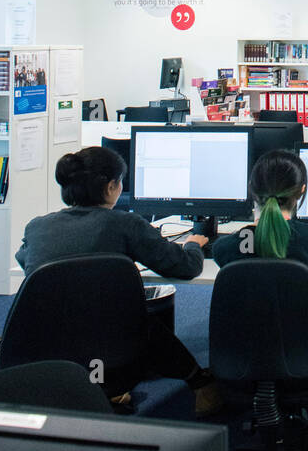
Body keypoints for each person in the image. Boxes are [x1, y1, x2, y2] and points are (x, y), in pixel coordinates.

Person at [15, 146, 212, 405]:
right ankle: (199, 384)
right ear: (110, 187)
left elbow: (27, 262)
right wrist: (194, 244)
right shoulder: (125, 224)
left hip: (41, 346)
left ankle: (96, 388)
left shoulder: (37, 226)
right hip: (112, 347)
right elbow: (185, 267)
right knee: (144, 318)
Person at [212, 149, 308, 323]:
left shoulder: (227, 248)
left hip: (248, 344)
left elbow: (228, 252)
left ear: (252, 189)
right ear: (301, 191)